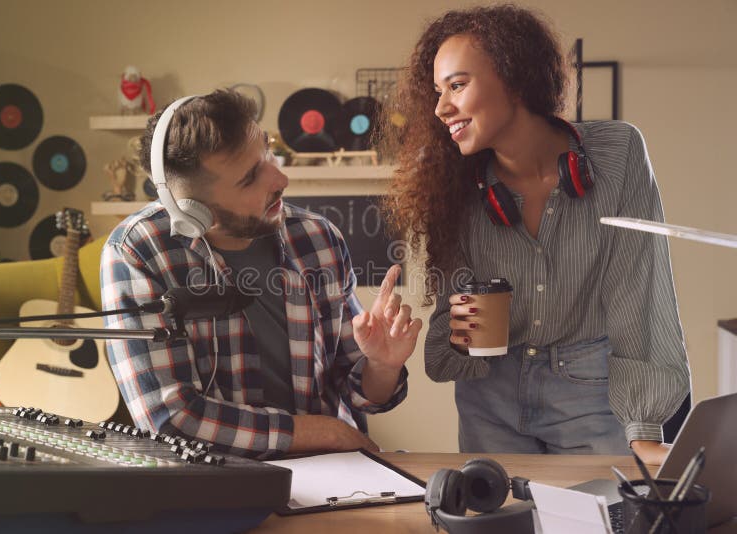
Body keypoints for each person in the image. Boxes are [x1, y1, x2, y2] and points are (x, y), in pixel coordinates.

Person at [380, 5, 690, 465]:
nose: (442, 107)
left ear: (515, 76)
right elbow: (460, 342)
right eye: (437, 91)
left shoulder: (620, 152)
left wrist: (643, 429)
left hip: (592, 393)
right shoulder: (452, 186)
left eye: (458, 85)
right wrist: (468, 325)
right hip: (490, 397)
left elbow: (638, 298)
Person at [101, 90, 422, 460]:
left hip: (332, 473)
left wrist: (383, 365)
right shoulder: (136, 251)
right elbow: (172, 417)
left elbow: (357, 390)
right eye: (251, 177)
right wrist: (325, 433)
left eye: (267, 153)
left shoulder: (318, 236)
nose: (281, 178)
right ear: (194, 212)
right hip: (213, 483)